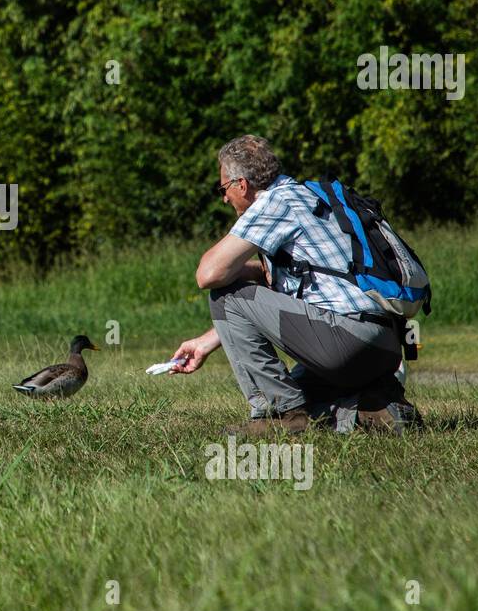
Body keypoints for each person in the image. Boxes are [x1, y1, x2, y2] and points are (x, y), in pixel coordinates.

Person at [170, 135, 422, 436]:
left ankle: (277, 414)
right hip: (385, 345)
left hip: (345, 344)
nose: (224, 198)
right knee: (304, 399)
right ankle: (380, 412)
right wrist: (207, 342)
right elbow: (290, 286)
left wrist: (239, 272)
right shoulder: (315, 196)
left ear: (241, 185)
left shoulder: (275, 202)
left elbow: (208, 274)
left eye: (223, 189)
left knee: (225, 295)